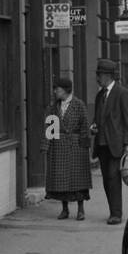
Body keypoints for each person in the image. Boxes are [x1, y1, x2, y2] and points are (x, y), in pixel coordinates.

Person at [90, 59, 128, 225]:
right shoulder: (99, 95)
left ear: (108, 76)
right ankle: (112, 210)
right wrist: (94, 127)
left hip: (116, 144)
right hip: (102, 144)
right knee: (105, 179)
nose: (97, 78)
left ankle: (116, 213)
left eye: (99, 75)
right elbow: (97, 118)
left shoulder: (121, 93)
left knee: (113, 177)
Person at [43, 78, 90, 220]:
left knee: (78, 179)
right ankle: (65, 209)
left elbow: (84, 126)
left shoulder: (79, 105)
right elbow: (49, 128)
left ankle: (81, 209)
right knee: (61, 179)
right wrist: (45, 146)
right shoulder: (53, 107)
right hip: (59, 147)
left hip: (76, 147)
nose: (55, 91)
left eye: (57, 88)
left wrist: (85, 147)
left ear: (65, 90)